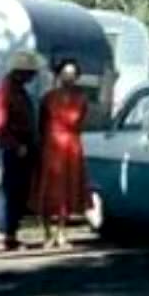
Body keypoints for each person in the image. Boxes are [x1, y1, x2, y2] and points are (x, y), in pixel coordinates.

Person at [29, 58, 92, 250]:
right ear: (58, 75)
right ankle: (47, 232)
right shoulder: (48, 98)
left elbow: (82, 122)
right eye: (65, 73)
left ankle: (62, 232)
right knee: (48, 189)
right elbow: (41, 124)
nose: (69, 78)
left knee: (68, 189)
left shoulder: (82, 98)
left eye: (73, 74)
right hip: (51, 145)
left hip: (71, 146)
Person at [0, 50, 43, 251]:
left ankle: (10, 232)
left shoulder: (18, 89)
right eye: (31, 73)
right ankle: (4, 233)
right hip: (15, 145)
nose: (33, 77)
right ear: (22, 71)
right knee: (9, 190)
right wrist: (15, 144)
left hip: (24, 144)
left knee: (19, 190)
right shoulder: (6, 90)